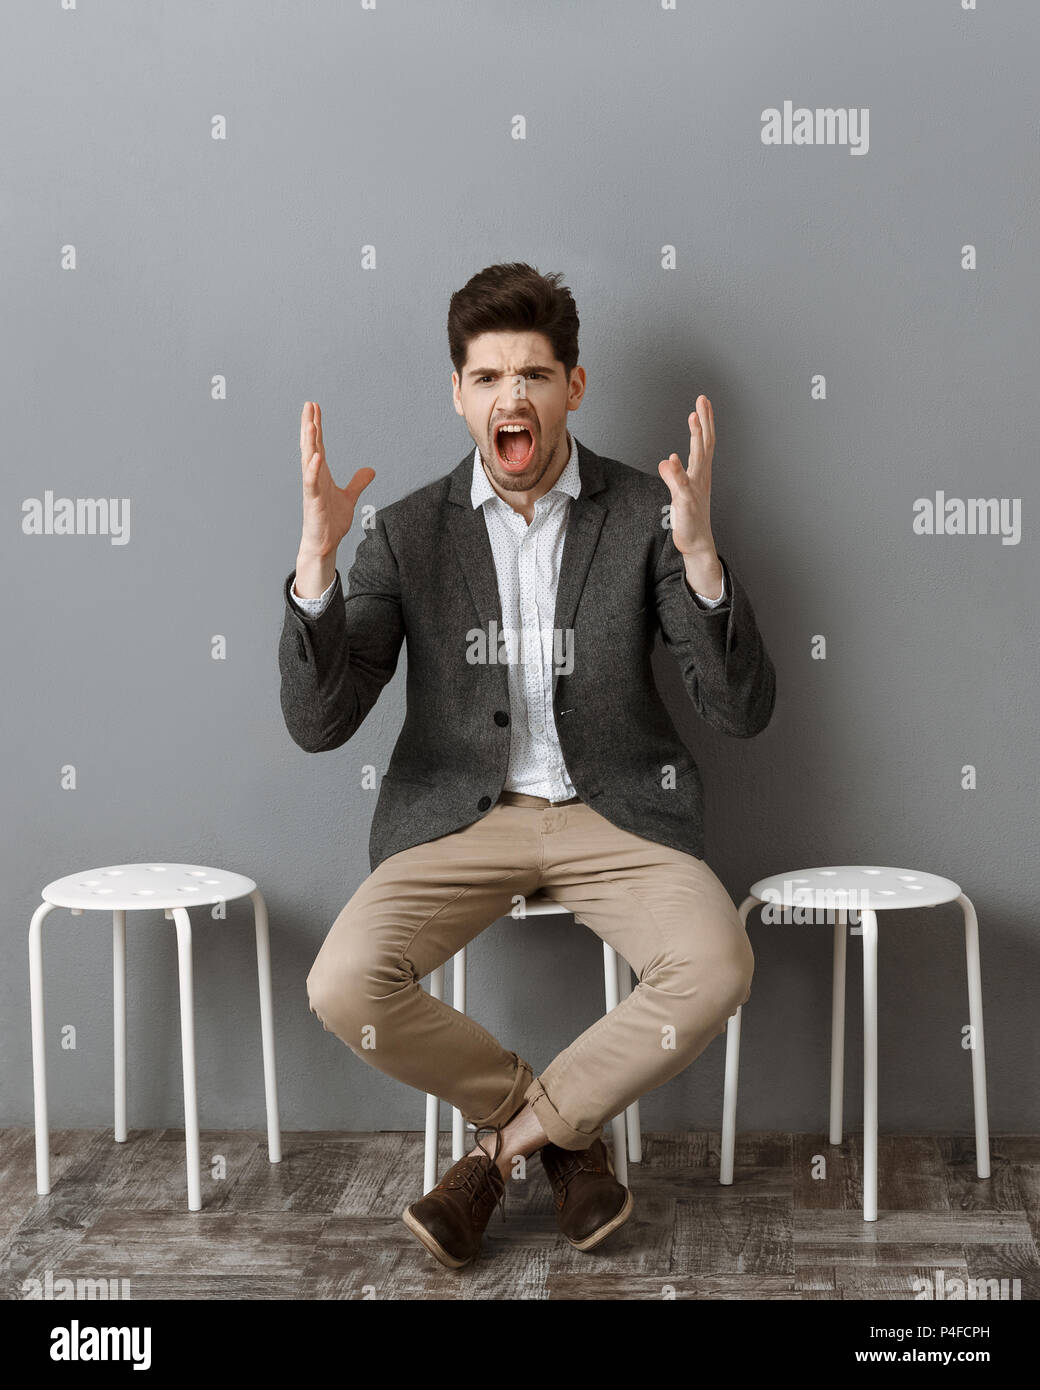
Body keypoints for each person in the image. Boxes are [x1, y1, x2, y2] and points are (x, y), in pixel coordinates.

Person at [278, 262, 775, 1270]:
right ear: (459, 396)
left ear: (572, 388)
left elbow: (740, 710)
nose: (513, 395)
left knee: (718, 963)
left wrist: (701, 559)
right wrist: (317, 568)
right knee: (342, 985)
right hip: (459, 819)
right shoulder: (404, 533)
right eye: (489, 377)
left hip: (615, 813)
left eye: (536, 375)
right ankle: (560, 1135)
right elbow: (321, 722)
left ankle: (497, 1153)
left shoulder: (644, 513)